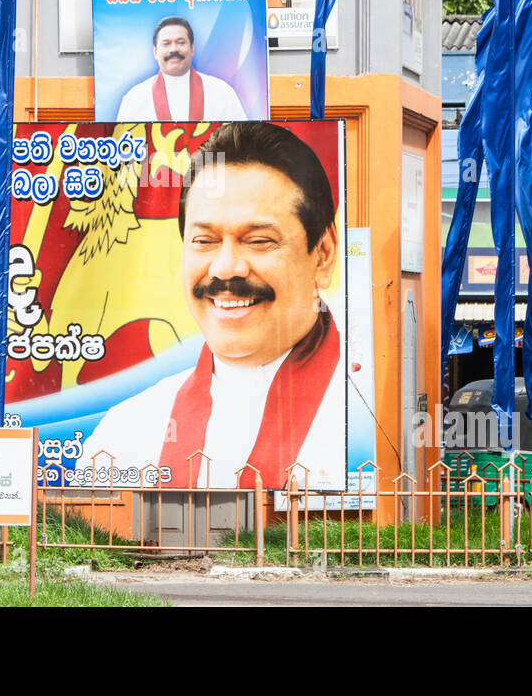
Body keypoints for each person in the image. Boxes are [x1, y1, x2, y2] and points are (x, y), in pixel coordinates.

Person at [80, 122, 343, 489]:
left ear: (323, 255)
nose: (225, 268)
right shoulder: (126, 432)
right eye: (204, 240)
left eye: (259, 240)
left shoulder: (357, 418)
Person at [115, 16, 248, 122]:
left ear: (192, 49)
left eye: (181, 42)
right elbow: (126, 150)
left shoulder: (223, 93)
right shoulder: (134, 98)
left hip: (210, 157)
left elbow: (239, 143)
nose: (174, 49)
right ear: (155, 52)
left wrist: (210, 157)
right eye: (166, 44)